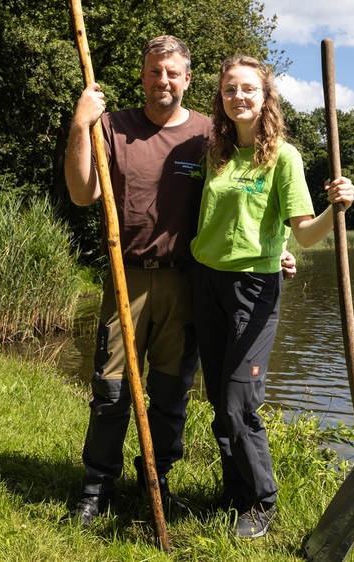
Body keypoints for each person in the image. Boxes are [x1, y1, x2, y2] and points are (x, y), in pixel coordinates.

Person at [62, 36, 295, 527]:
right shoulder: (112, 125)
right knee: (110, 393)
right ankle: (95, 490)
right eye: (154, 71)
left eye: (172, 73)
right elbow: (83, 194)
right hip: (126, 279)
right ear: (143, 75)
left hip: (189, 283)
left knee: (170, 394)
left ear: (188, 80)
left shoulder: (212, 135)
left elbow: (247, 195)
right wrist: (81, 123)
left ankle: (157, 483)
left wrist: (275, 245)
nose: (162, 80)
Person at [189, 55, 354, 539]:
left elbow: (303, 234)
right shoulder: (215, 153)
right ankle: (233, 493)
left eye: (247, 89)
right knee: (220, 400)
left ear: (265, 98)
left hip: (254, 289)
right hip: (207, 281)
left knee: (241, 400)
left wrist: (335, 207)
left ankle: (262, 501)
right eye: (228, 90)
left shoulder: (283, 157)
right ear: (220, 99)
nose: (237, 96)